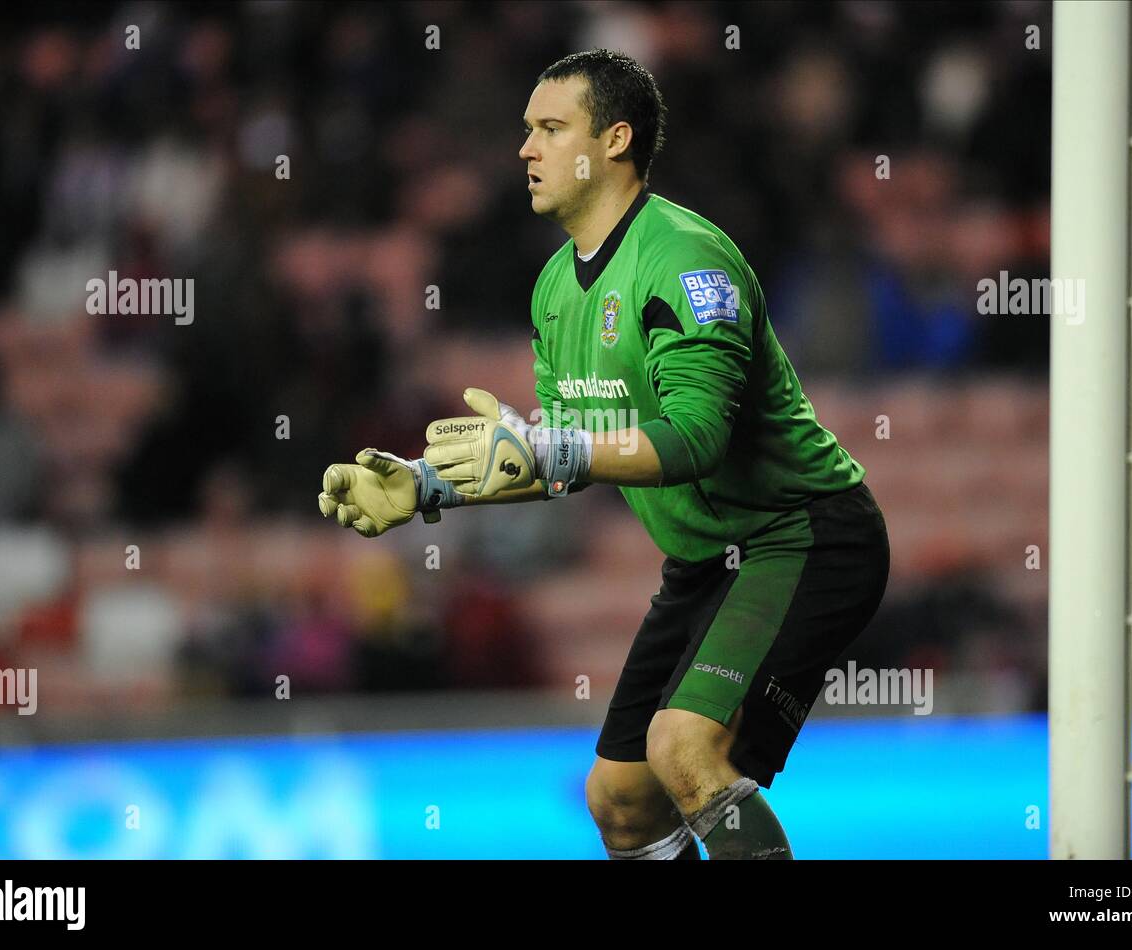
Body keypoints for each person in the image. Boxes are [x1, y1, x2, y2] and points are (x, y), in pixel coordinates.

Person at [319, 49, 890, 860]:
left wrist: (555, 451)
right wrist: (422, 487)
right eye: (526, 131)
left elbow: (695, 438)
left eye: (551, 129)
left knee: (684, 750)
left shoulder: (685, 260)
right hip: (706, 561)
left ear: (615, 141)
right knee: (619, 800)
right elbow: (563, 454)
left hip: (801, 535)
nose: (526, 149)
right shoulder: (556, 288)